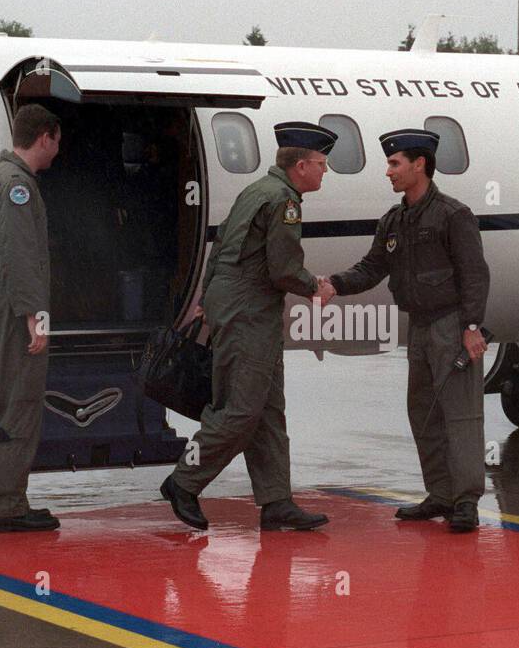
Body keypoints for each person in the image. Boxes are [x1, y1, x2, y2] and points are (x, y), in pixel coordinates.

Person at [160, 121, 337, 532]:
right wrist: (316, 287)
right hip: (249, 315)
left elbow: (220, 245)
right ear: (301, 166)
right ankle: (183, 481)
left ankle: (276, 501)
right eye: (322, 165)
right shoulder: (284, 202)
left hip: (240, 307)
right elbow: (283, 268)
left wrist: (207, 297)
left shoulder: (257, 191)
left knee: (268, 409)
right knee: (240, 410)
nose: (325, 172)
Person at [318, 129, 491, 533]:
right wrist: (335, 285)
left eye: (395, 163)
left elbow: (475, 274)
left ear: (420, 165)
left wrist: (471, 327)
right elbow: (372, 266)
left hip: (451, 325)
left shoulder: (453, 215)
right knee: (424, 413)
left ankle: (466, 501)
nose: (389, 171)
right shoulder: (394, 220)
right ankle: (440, 494)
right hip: (419, 326)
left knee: (461, 415)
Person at [0, 103, 63, 532]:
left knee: (1, 396)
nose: (57, 153)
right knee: (19, 399)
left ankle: (2, 499)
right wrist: (35, 317)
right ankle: (8, 505)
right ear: (45, 137)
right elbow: (20, 255)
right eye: (56, 143)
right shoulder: (16, 186)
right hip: (13, 302)